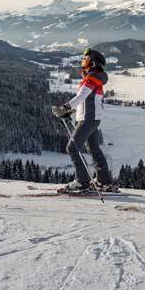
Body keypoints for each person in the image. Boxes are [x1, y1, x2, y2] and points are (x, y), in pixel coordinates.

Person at [52, 48, 115, 193]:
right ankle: (104, 181)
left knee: (72, 148)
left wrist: (66, 107)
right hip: (92, 118)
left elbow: (81, 96)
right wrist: (72, 111)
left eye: (85, 57)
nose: (82, 59)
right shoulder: (95, 76)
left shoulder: (91, 77)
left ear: (92, 62)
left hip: (88, 119)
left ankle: (82, 182)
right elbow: (88, 100)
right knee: (93, 149)